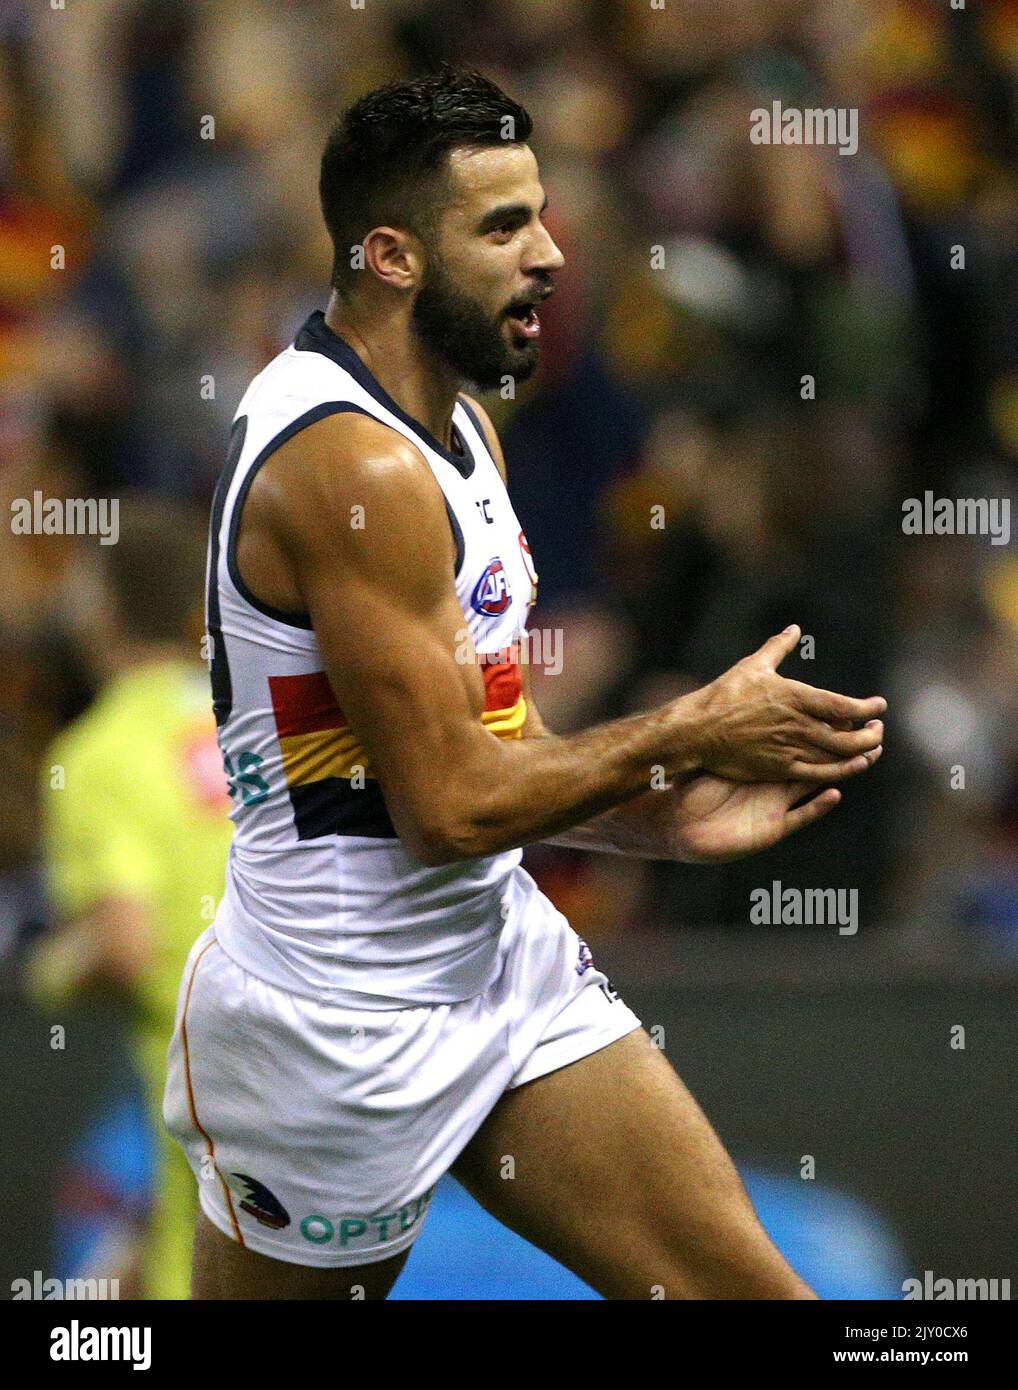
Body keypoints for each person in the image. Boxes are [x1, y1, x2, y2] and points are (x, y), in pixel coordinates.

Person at [164, 66, 886, 1300]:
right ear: (389, 256)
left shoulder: (463, 427)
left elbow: (497, 743)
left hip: (499, 963)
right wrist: (685, 724)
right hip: (334, 1026)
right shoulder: (355, 469)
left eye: (541, 214)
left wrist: (645, 814)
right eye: (503, 228)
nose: (550, 254)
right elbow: (446, 806)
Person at [32, 497, 233, 1299]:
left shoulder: (97, 752)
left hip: (198, 1076)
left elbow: (122, 942)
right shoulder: (248, 718)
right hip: (317, 1058)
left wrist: (44, 972)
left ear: (98, 606)